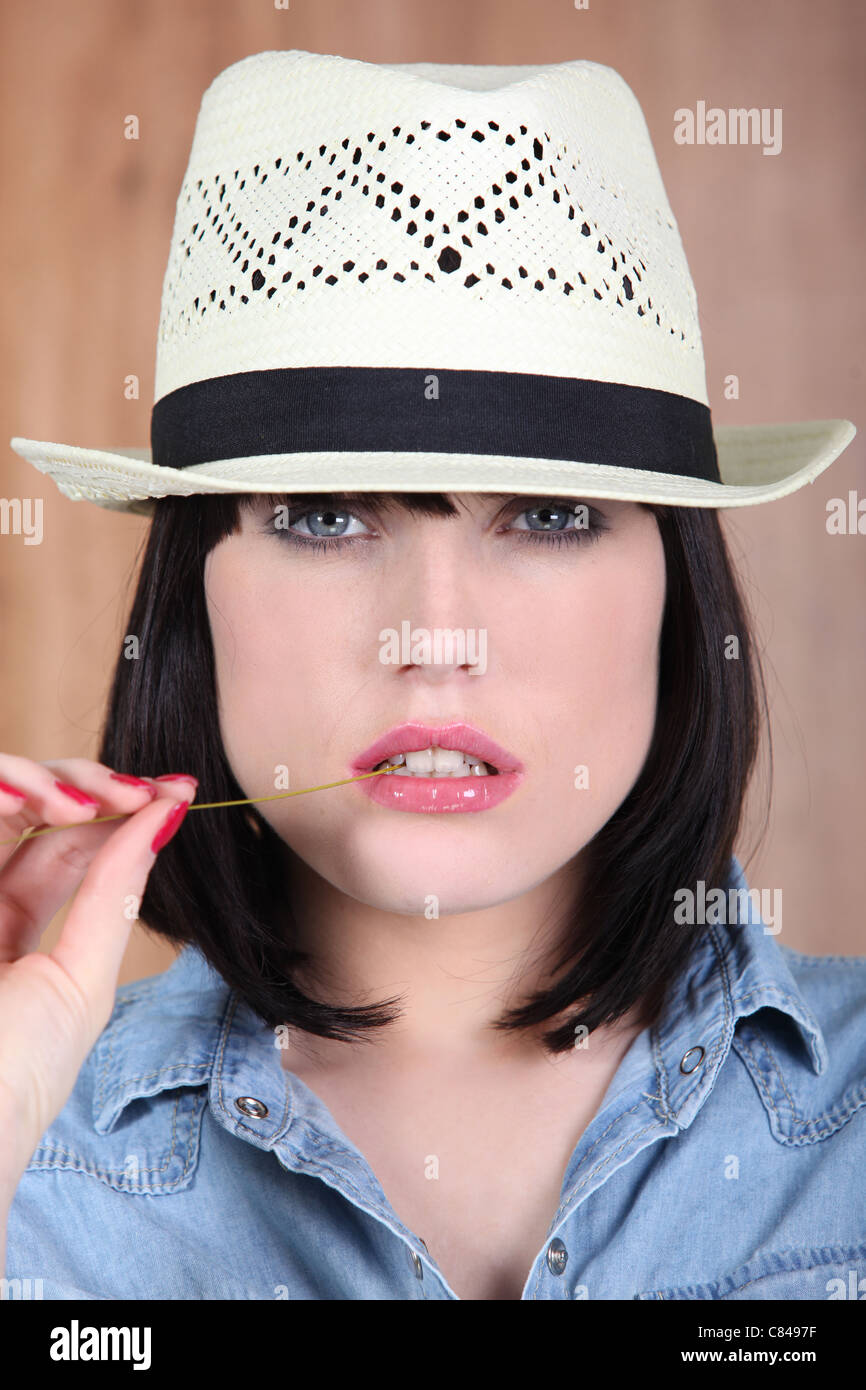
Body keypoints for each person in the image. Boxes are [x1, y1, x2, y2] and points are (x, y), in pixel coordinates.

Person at [2, 50, 862, 1302]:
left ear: (678, 589)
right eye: (322, 514)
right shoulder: (33, 1161)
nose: (437, 635)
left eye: (552, 516)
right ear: (194, 589)